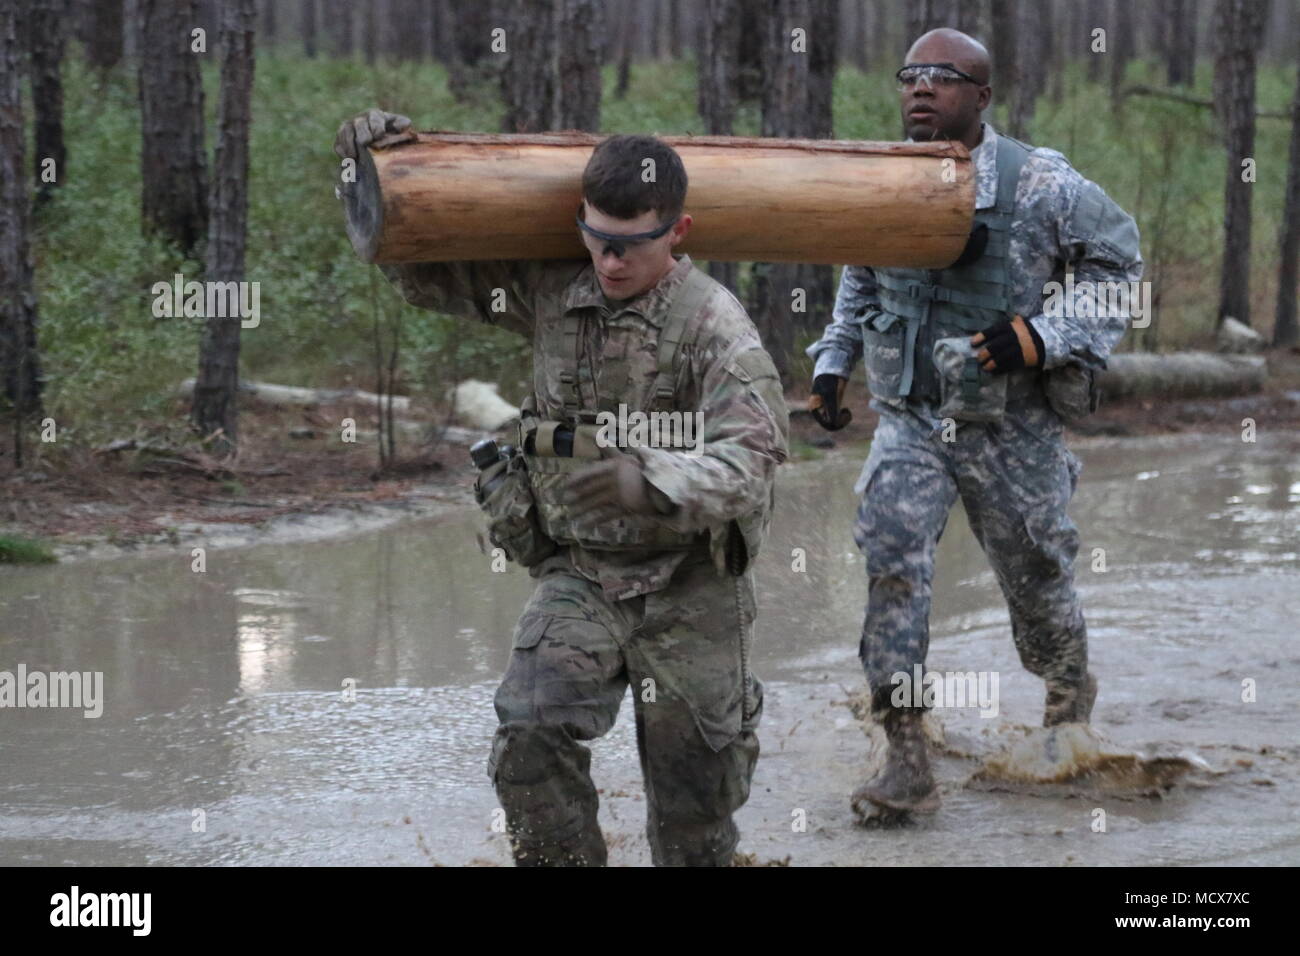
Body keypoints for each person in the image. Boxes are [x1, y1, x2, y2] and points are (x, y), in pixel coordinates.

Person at [335, 115, 789, 865]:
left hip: (691, 584)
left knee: (694, 812)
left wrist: (657, 481)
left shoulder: (714, 325)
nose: (610, 262)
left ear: (677, 232)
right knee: (529, 735)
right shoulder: (552, 291)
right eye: (596, 237)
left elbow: (755, 450)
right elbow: (418, 267)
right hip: (582, 573)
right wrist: (367, 169)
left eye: (632, 244)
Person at [805, 29, 1143, 817]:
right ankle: (905, 754)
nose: (922, 89)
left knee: (1036, 579)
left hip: (1010, 426)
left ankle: (1066, 703)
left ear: (981, 96)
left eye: (944, 78)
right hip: (912, 421)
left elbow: (1119, 266)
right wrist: (833, 361)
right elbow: (861, 280)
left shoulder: (1039, 183)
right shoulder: (883, 183)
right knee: (891, 559)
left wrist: (1039, 337)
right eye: (911, 76)